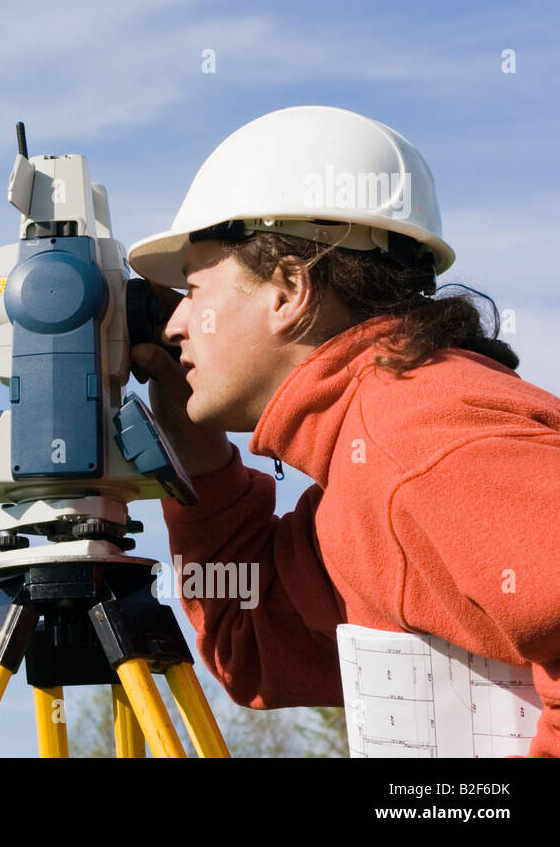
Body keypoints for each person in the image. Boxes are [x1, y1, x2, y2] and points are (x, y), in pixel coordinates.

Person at [124, 105, 559, 757]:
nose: (175, 325)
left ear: (288, 289)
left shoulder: (418, 443)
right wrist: (189, 443)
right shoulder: (365, 468)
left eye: (193, 289)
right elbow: (254, 642)